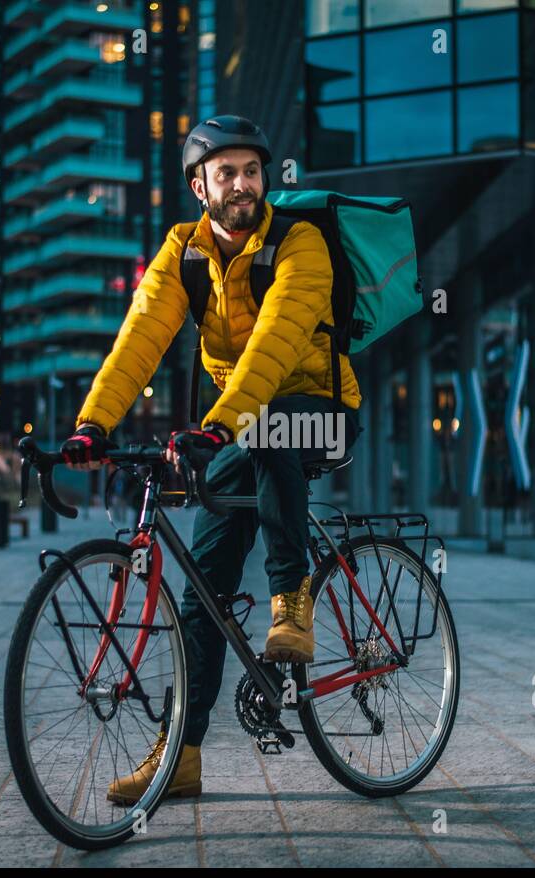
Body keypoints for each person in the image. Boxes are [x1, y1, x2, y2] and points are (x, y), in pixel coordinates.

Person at [60, 115, 364, 804]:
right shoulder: (184, 253)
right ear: (199, 186)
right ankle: (181, 755)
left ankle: (292, 602)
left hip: (319, 411)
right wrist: (92, 423)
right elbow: (140, 336)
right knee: (202, 589)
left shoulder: (300, 242)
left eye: (252, 170)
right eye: (225, 173)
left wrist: (218, 426)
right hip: (240, 427)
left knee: (273, 424)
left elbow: (275, 347)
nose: (242, 184)